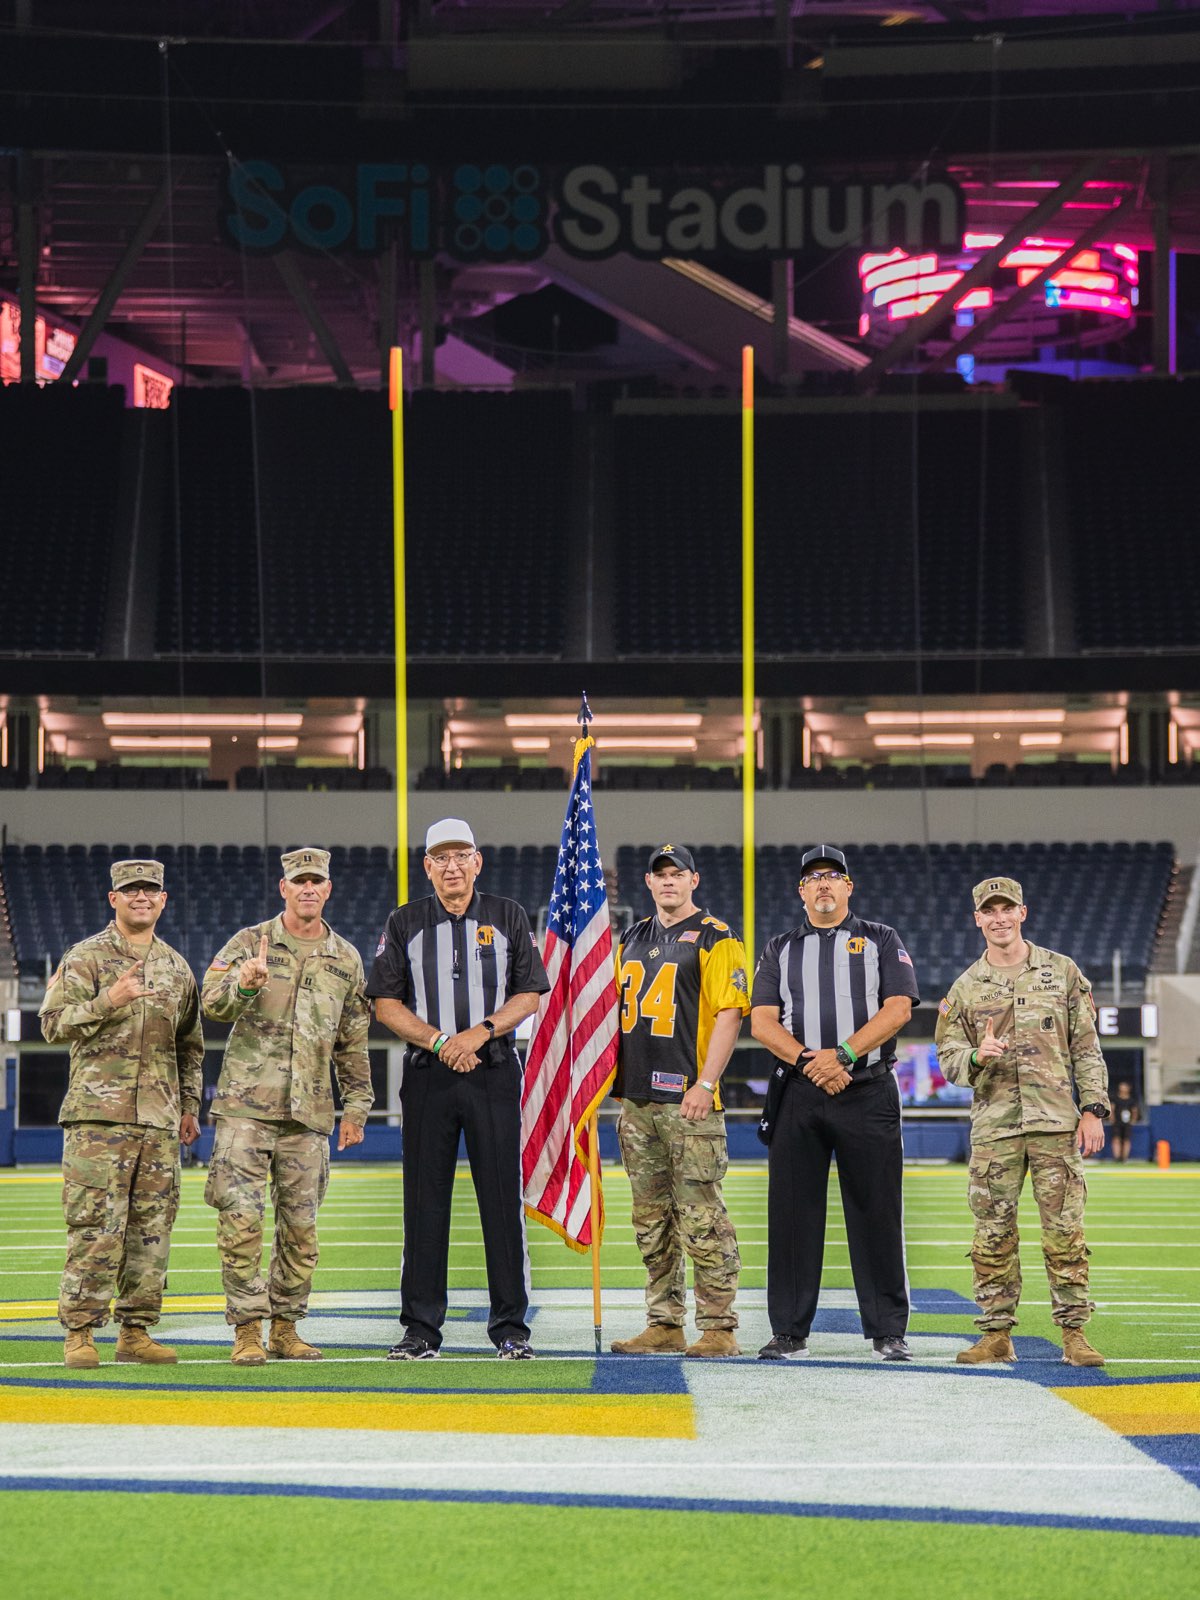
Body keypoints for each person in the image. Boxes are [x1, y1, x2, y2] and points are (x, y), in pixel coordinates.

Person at [367, 818, 550, 1360]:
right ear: (427, 866)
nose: (451, 866)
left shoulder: (508, 915)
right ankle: (421, 1330)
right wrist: (441, 1040)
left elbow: (530, 994)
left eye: (460, 856)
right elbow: (386, 1004)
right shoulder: (405, 922)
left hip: (493, 1067)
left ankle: (511, 1329)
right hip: (428, 1074)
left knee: (500, 1201)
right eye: (440, 858)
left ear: (477, 861)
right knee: (424, 1203)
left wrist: (478, 1033)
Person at [201, 847, 372, 1366]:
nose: (308, 889)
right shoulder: (250, 942)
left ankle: (287, 1327)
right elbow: (212, 1004)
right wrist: (242, 985)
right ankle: (248, 1331)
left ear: (328, 889)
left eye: (316, 881)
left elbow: (353, 1039)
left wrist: (358, 1104)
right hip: (245, 1111)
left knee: (300, 1229)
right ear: (284, 888)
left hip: (309, 1115)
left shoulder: (345, 958)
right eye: (299, 881)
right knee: (241, 1222)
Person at [750, 845, 919, 1362]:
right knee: (793, 1213)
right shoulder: (779, 946)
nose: (823, 884)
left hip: (866, 1088)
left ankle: (888, 1330)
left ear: (850, 886)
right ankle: (789, 1330)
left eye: (833, 876)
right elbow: (761, 1020)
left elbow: (899, 1008)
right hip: (800, 1090)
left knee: (877, 1210)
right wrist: (810, 1062)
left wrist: (843, 1055)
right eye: (813, 878)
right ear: (801, 891)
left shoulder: (881, 939)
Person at [934, 875, 1110, 1367]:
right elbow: (947, 1059)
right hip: (996, 1129)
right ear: (977, 920)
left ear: (1022, 912)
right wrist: (975, 1055)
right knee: (992, 1234)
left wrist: (1093, 1108)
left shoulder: (1062, 971)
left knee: (1065, 1233)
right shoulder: (965, 988)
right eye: (989, 911)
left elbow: (1086, 1048)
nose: (999, 918)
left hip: (1056, 1124)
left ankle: (1074, 1335)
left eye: (1006, 908)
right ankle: (995, 1335)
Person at [39, 858, 203, 1369]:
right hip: (97, 1121)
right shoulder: (85, 957)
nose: (141, 898)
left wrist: (189, 1106)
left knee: (151, 1232)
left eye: (150, 891)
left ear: (163, 899)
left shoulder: (176, 967)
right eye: (130, 890)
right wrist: (108, 999)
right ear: (114, 898)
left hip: (158, 1121)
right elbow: (50, 1024)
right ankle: (81, 1332)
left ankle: (136, 1331)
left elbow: (190, 1045)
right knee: (94, 1228)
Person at [609, 844, 749, 1358]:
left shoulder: (717, 939)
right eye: (660, 875)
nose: (669, 882)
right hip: (638, 1101)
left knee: (701, 1216)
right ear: (648, 883)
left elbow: (731, 1014)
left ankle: (718, 1327)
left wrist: (706, 1084)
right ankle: (664, 1322)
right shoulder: (633, 935)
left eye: (678, 874)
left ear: (694, 879)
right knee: (651, 1218)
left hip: (688, 1102)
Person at [1110, 1080, 1140, 1164]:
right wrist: (1112, 1119)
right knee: (1116, 1139)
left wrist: (1133, 1120)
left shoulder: (1131, 1100)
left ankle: (1124, 1158)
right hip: (1117, 1122)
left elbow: (1135, 1110)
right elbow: (1112, 1109)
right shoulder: (1115, 1098)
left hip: (1127, 1123)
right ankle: (1117, 1157)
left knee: (1126, 1139)